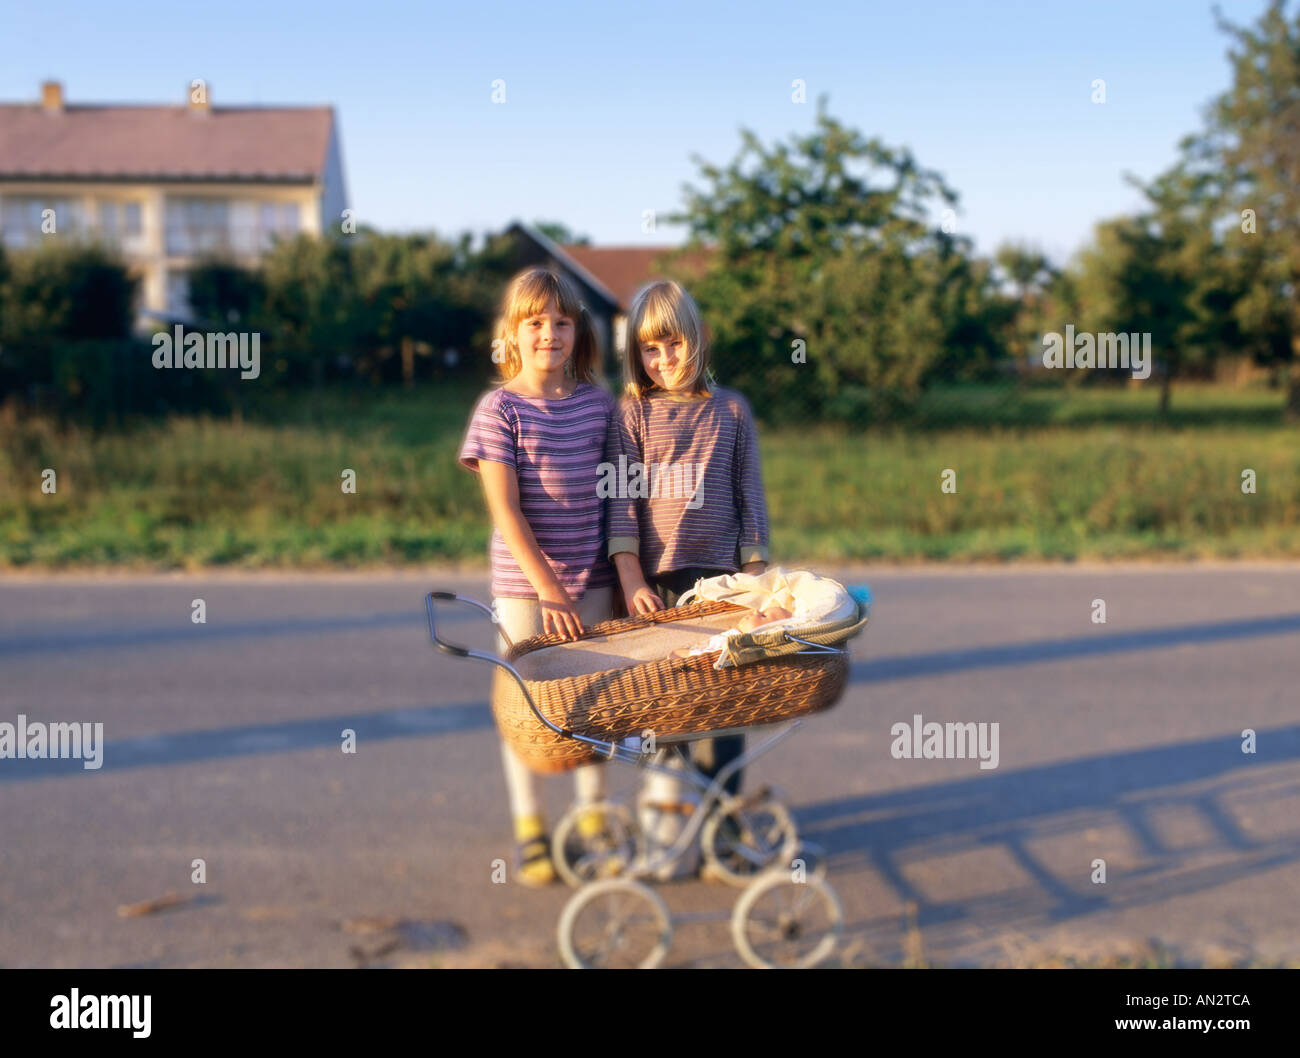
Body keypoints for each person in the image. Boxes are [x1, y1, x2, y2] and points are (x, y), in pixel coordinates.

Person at [458, 267, 615, 886]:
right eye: (535, 323)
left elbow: (619, 495)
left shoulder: (601, 405)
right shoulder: (500, 409)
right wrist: (550, 588)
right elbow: (506, 508)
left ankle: (594, 821)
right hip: (527, 588)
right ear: (514, 334)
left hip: (596, 576)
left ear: (578, 332)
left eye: (561, 322)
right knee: (527, 707)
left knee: (600, 702)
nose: (548, 334)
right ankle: (530, 828)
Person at [607, 279, 771, 808]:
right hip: (658, 583)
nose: (663, 359)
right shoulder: (632, 412)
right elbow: (622, 504)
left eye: (673, 344)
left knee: (726, 705)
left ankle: (725, 821)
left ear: (696, 337)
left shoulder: (732, 412)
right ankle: (676, 819)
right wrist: (632, 579)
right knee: (669, 706)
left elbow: (751, 499)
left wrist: (755, 575)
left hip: (722, 579)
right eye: (649, 350)